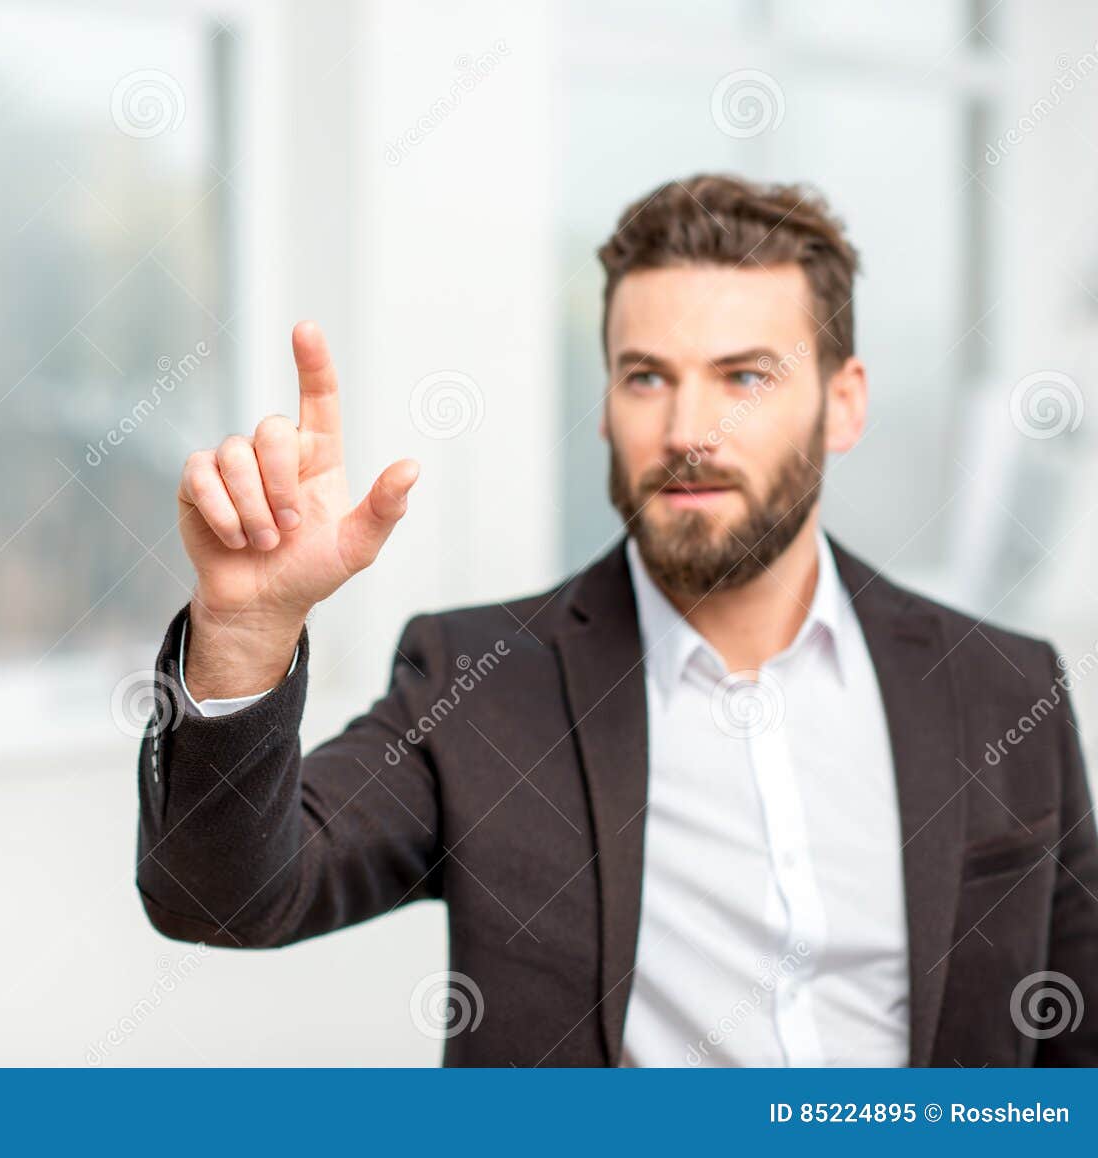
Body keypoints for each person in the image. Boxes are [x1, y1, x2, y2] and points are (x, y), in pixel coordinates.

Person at [133, 173, 1098, 1067]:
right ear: (604, 405)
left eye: (745, 377)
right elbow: (226, 898)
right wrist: (246, 632)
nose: (687, 433)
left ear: (842, 405)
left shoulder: (1002, 687)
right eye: (646, 377)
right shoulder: (481, 685)